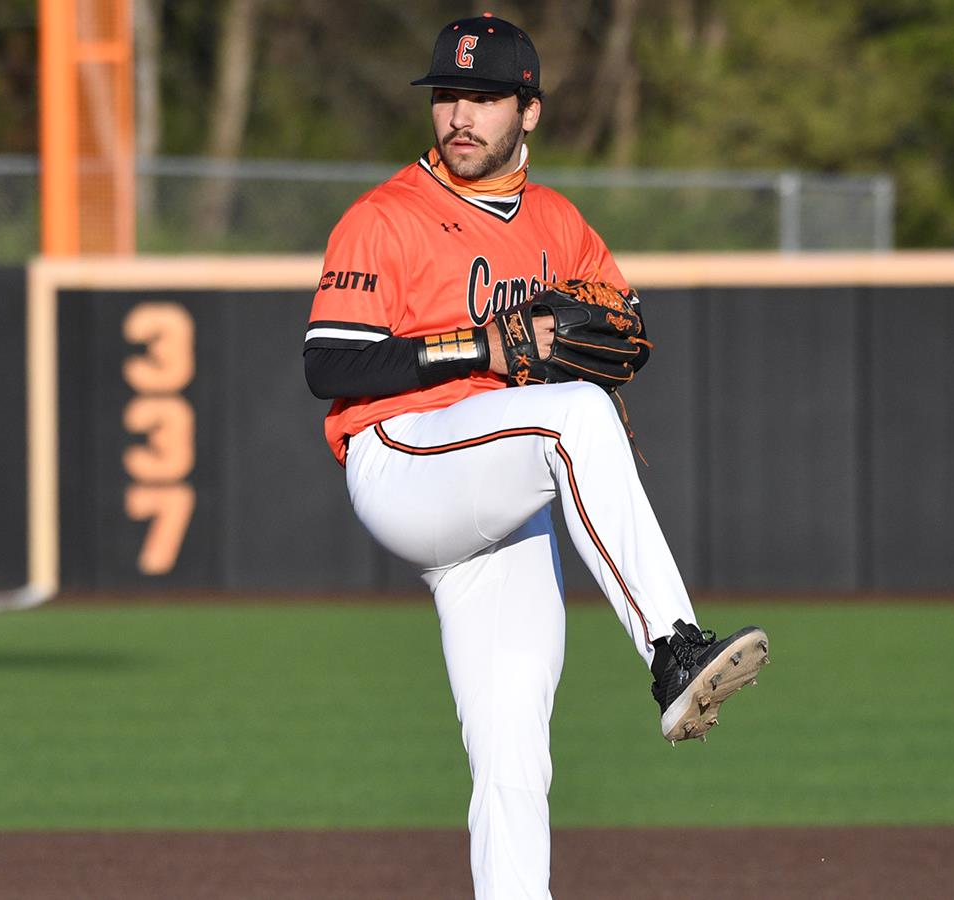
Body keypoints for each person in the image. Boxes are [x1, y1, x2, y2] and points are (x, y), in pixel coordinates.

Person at [303, 13, 769, 899]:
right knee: (576, 418)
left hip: (499, 506)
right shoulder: (385, 217)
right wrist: (481, 348)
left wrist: (609, 340)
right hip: (405, 457)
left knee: (515, 756)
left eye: (482, 98)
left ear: (531, 111)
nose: (458, 117)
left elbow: (623, 331)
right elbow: (329, 361)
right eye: (447, 97)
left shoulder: (558, 221)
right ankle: (673, 648)